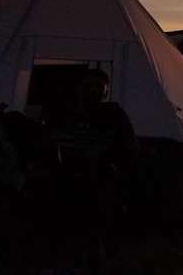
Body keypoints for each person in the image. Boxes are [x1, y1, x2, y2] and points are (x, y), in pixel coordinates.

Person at [45, 69, 136, 268]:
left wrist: (114, 165)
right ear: (78, 89)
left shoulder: (113, 115)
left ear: (105, 92)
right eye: (89, 86)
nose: (93, 92)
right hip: (68, 172)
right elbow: (51, 141)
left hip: (99, 173)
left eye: (98, 87)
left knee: (96, 203)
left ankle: (94, 250)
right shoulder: (63, 113)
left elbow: (127, 147)